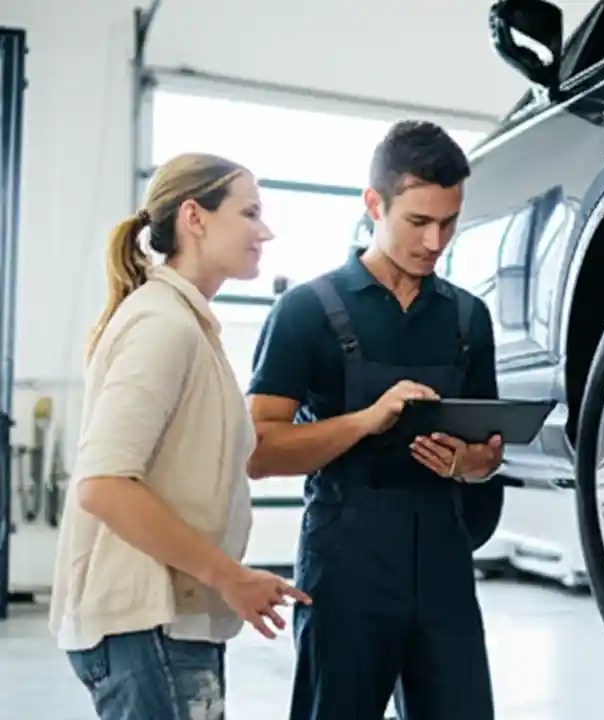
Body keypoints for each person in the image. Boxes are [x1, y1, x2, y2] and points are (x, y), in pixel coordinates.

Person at [246, 120, 505, 720]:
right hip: (347, 566)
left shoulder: (470, 320)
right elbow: (260, 451)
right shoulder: (306, 311)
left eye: (448, 222)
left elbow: (491, 447)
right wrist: (366, 420)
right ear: (373, 205)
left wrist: (473, 465)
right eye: (418, 222)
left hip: (443, 559)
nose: (435, 241)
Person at [48, 153, 312, 720]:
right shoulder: (163, 326)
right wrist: (231, 577)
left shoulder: (184, 323)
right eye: (249, 212)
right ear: (195, 217)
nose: (263, 230)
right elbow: (104, 485)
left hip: (169, 626)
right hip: (149, 626)